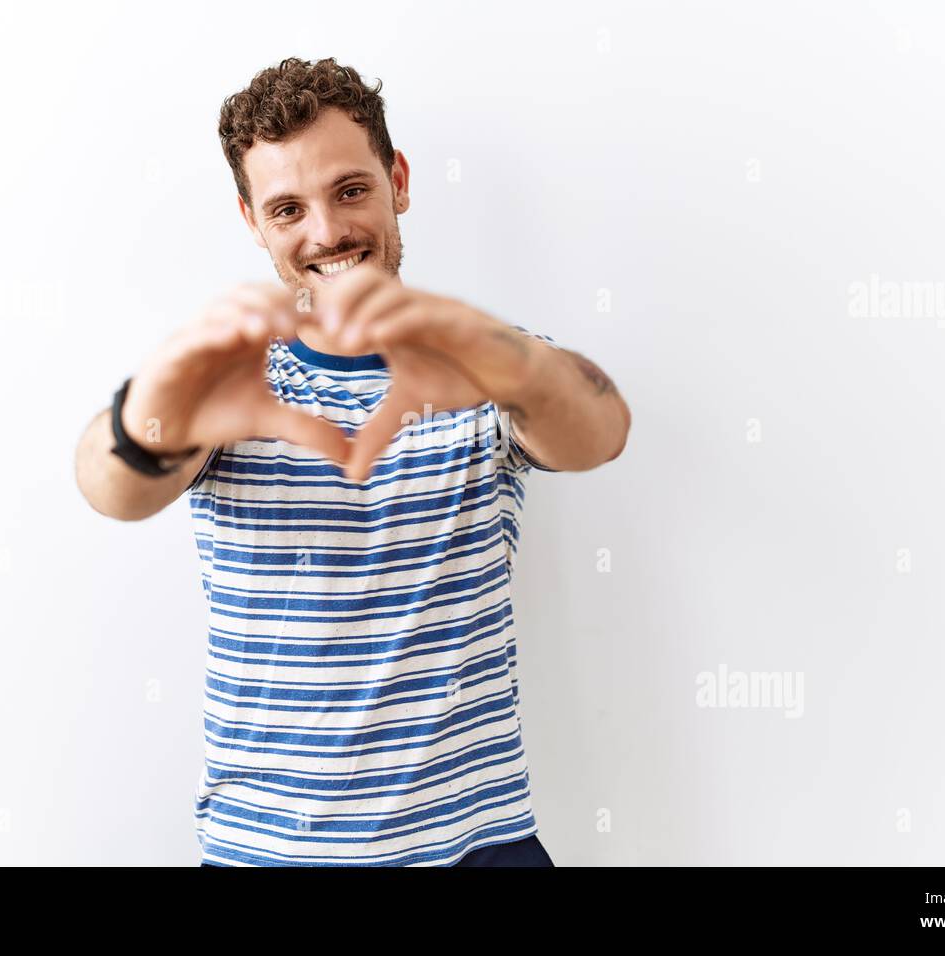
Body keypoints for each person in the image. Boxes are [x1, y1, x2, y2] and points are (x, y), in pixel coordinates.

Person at [75, 56, 631, 866]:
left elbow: (600, 432)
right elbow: (109, 486)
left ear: (397, 180)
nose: (327, 232)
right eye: (288, 208)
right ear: (252, 221)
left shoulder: (494, 368)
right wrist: (161, 392)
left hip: (478, 848)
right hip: (266, 853)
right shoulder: (225, 384)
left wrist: (502, 358)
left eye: (351, 190)